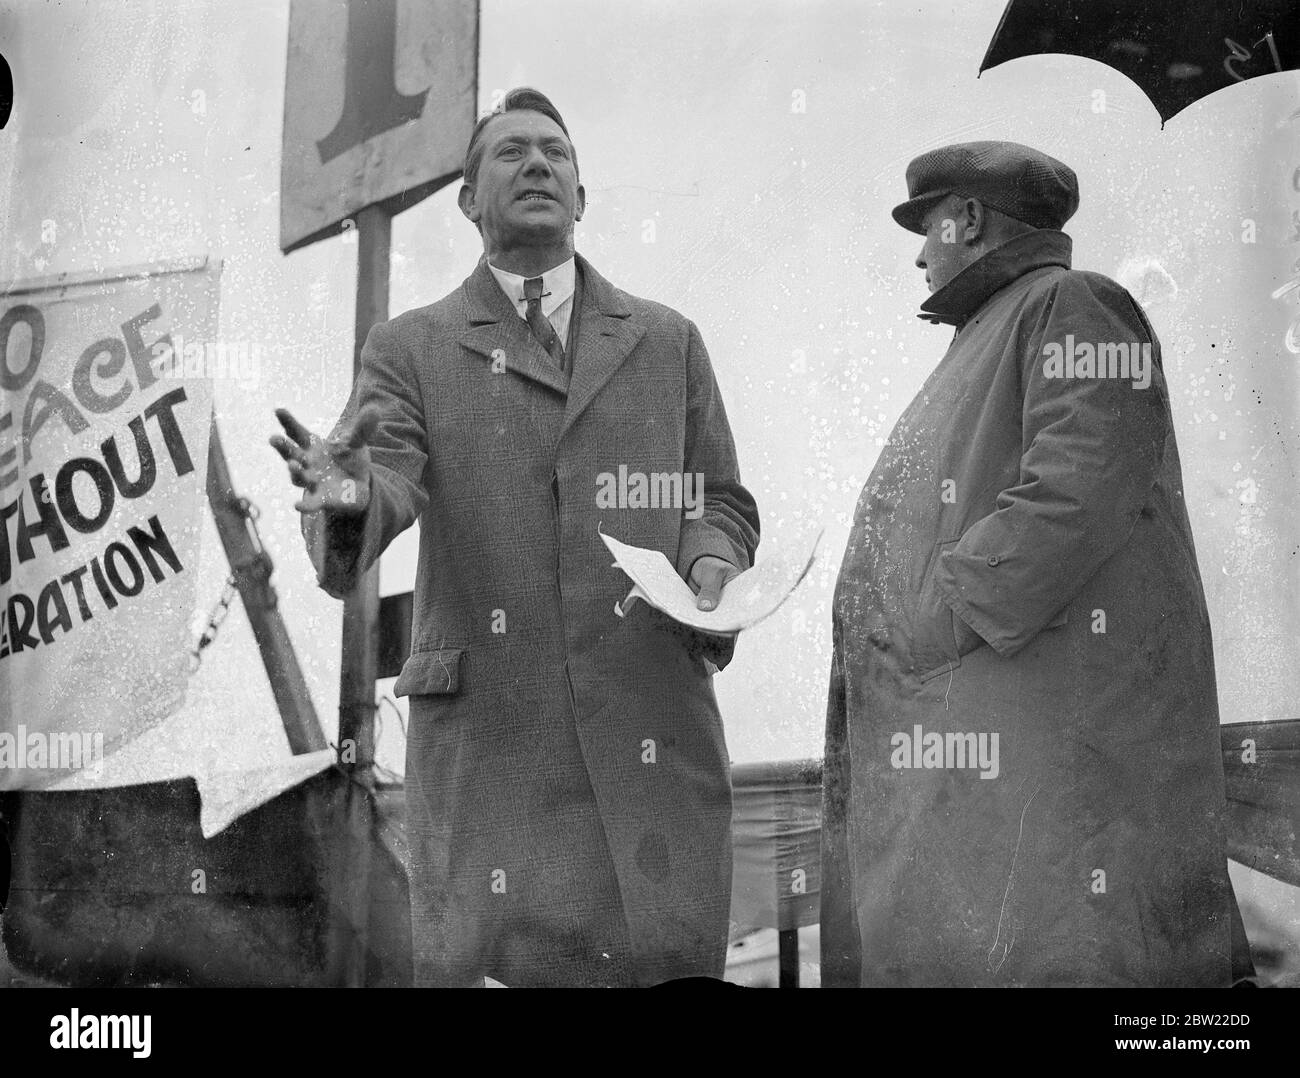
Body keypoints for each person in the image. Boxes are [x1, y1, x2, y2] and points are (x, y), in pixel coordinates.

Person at [270, 88, 759, 987]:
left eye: (555, 154)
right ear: (467, 201)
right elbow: (383, 478)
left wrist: (711, 568)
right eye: (510, 153)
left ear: (582, 197)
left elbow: (716, 502)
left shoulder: (668, 342)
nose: (537, 164)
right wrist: (341, 491)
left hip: (653, 758)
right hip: (498, 769)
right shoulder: (411, 347)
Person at [820, 140, 1251, 987]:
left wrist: (934, 614)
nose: (918, 250)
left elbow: (1076, 488)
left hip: (1046, 795)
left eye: (927, 225)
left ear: (969, 218)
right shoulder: (993, 330)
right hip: (981, 786)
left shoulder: (1073, 304)